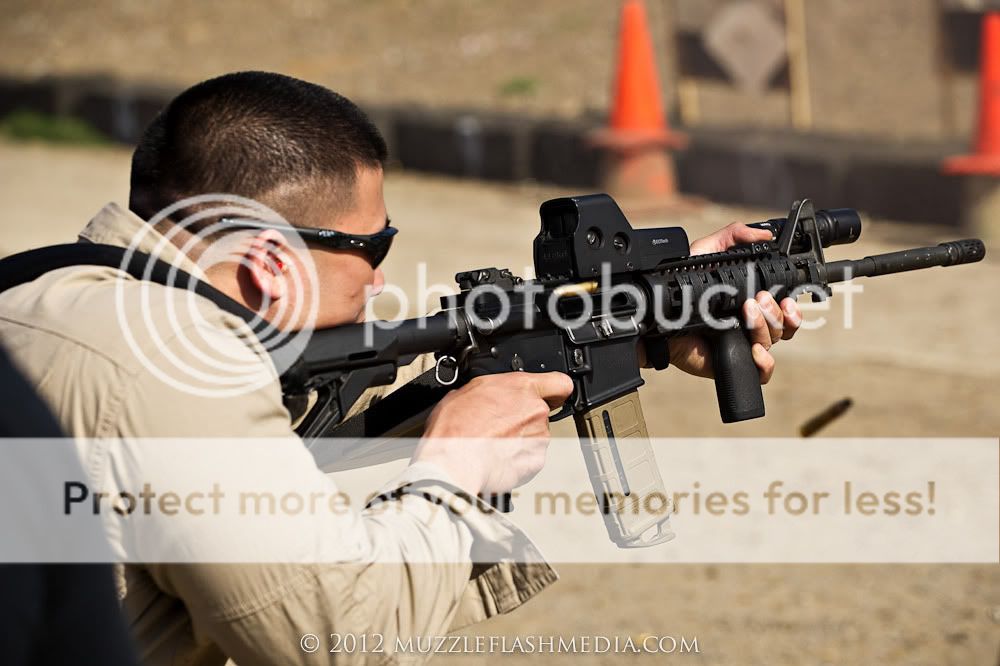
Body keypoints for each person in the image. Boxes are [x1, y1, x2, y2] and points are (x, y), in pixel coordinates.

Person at [0, 71, 801, 665]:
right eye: (371, 247)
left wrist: (640, 326)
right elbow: (332, 635)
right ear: (269, 260)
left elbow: (264, 481)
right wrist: (453, 476)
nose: (383, 279)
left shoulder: (57, 299)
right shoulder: (171, 366)